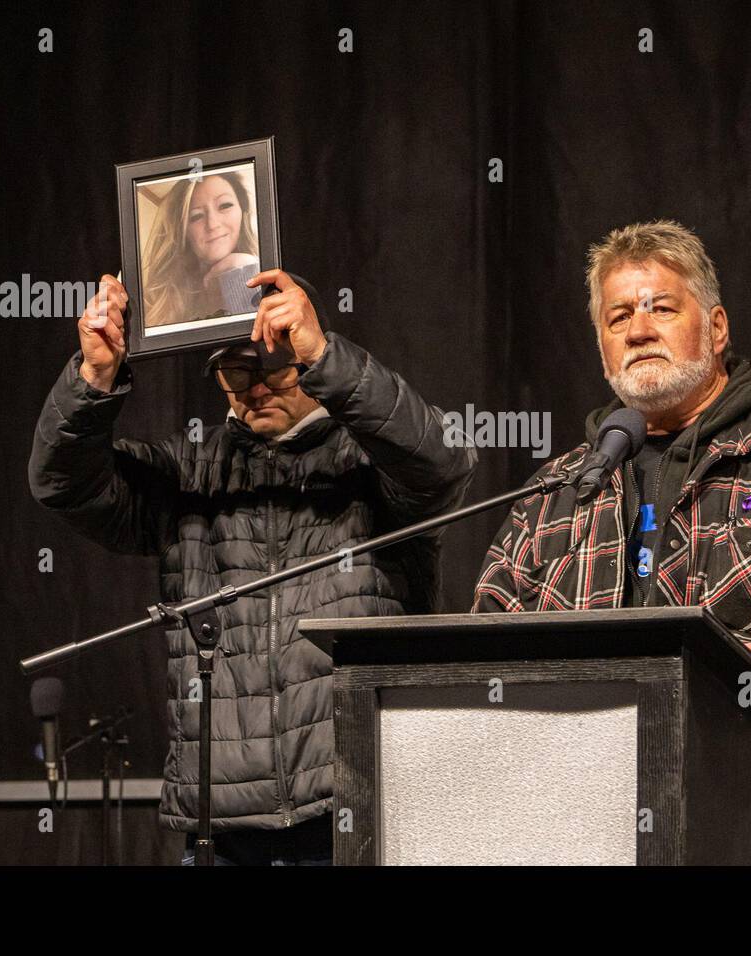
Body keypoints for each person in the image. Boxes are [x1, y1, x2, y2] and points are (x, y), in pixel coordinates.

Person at [472, 219, 751, 865]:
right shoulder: (557, 488)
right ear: (602, 347)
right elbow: (487, 638)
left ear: (717, 328)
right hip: (582, 832)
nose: (638, 330)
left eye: (661, 308)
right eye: (618, 318)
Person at [29, 267, 475, 864]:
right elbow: (62, 484)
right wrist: (94, 379)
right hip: (225, 832)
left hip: (364, 813)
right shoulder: (187, 472)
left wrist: (326, 357)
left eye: (277, 366)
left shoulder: (371, 462)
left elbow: (443, 462)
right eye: (238, 371)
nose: (257, 388)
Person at [140, 170, 262, 328]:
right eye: (196, 216)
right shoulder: (155, 304)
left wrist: (242, 267)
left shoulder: (271, 278)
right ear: (183, 232)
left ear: (242, 211)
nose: (212, 224)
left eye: (225, 205)